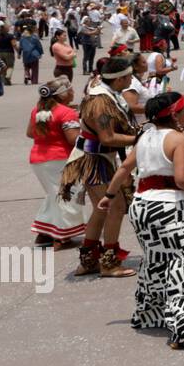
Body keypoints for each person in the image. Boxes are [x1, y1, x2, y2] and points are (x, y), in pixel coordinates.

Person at [102, 91, 184, 349]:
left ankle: (154, 315)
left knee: (156, 261)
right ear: (173, 114)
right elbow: (182, 179)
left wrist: (109, 195)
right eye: (183, 109)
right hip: (166, 209)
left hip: (141, 208)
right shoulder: (178, 139)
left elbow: (125, 168)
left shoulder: (146, 136)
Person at [60, 56, 139, 277]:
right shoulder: (100, 101)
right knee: (115, 206)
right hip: (95, 159)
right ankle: (109, 263)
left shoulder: (107, 93)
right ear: (120, 79)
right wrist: (139, 139)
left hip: (99, 157)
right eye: (129, 76)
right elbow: (108, 137)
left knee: (102, 209)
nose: (132, 79)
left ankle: (89, 260)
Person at [27, 77, 85, 248]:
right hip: (60, 160)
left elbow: (30, 133)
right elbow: (73, 139)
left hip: (38, 159)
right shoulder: (66, 113)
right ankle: (61, 236)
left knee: (54, 195)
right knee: (68, 195)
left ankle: (44, 233)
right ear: (63, 94)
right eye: (71, 89)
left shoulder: (37, 110)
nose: (74, 92)